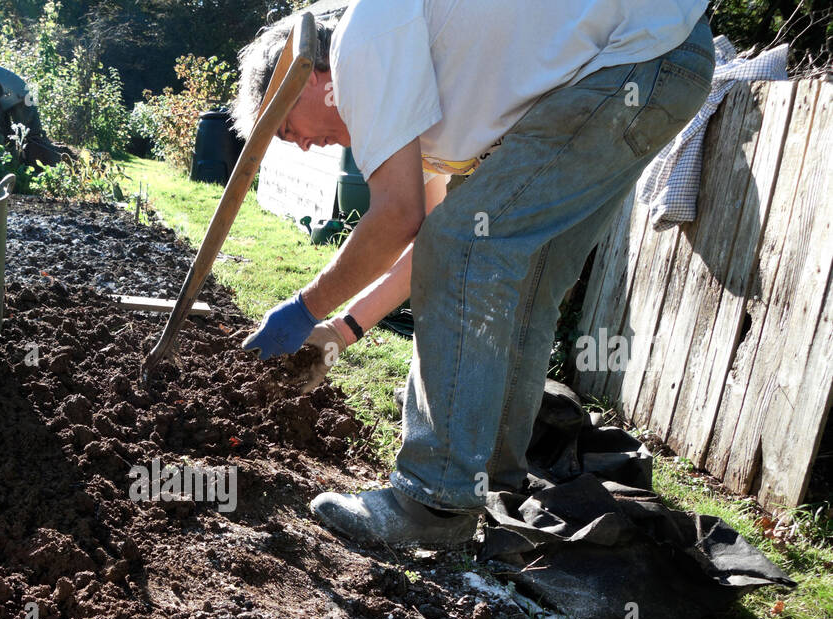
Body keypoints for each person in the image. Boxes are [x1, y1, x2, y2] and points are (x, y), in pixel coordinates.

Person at [232, 0, 714, 547]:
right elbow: (427, 249)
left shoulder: (358, 44)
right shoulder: (413, 89)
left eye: (286, 127)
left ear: (308, 73)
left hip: (634, 62)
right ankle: (494, 481)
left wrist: (304, 307)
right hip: (664, 62)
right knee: (522, 275)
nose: (299, 144)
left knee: (470, 245)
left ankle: (432, 503)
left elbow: (403, 222)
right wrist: (339, 331)